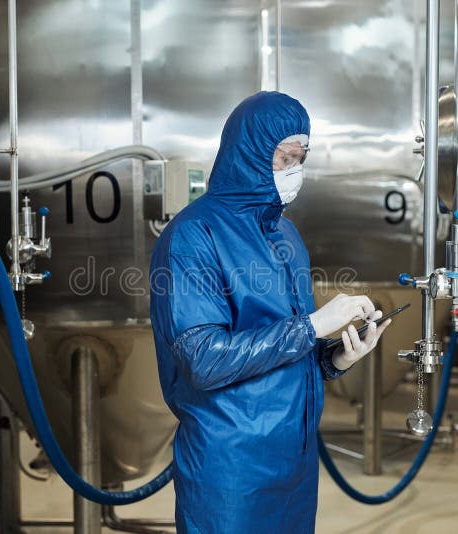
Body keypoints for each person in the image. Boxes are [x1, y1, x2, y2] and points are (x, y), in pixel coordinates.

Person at [149, 91, 390, 532]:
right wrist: (313, 325)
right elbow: (203, 359)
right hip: (231, 468)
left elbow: (286, 344)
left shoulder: (286, 235)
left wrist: (336, 356)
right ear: (251, 153)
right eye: (284, 158)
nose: (294, 171)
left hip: (294, 463)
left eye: (301, 158)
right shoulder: (192, 236)